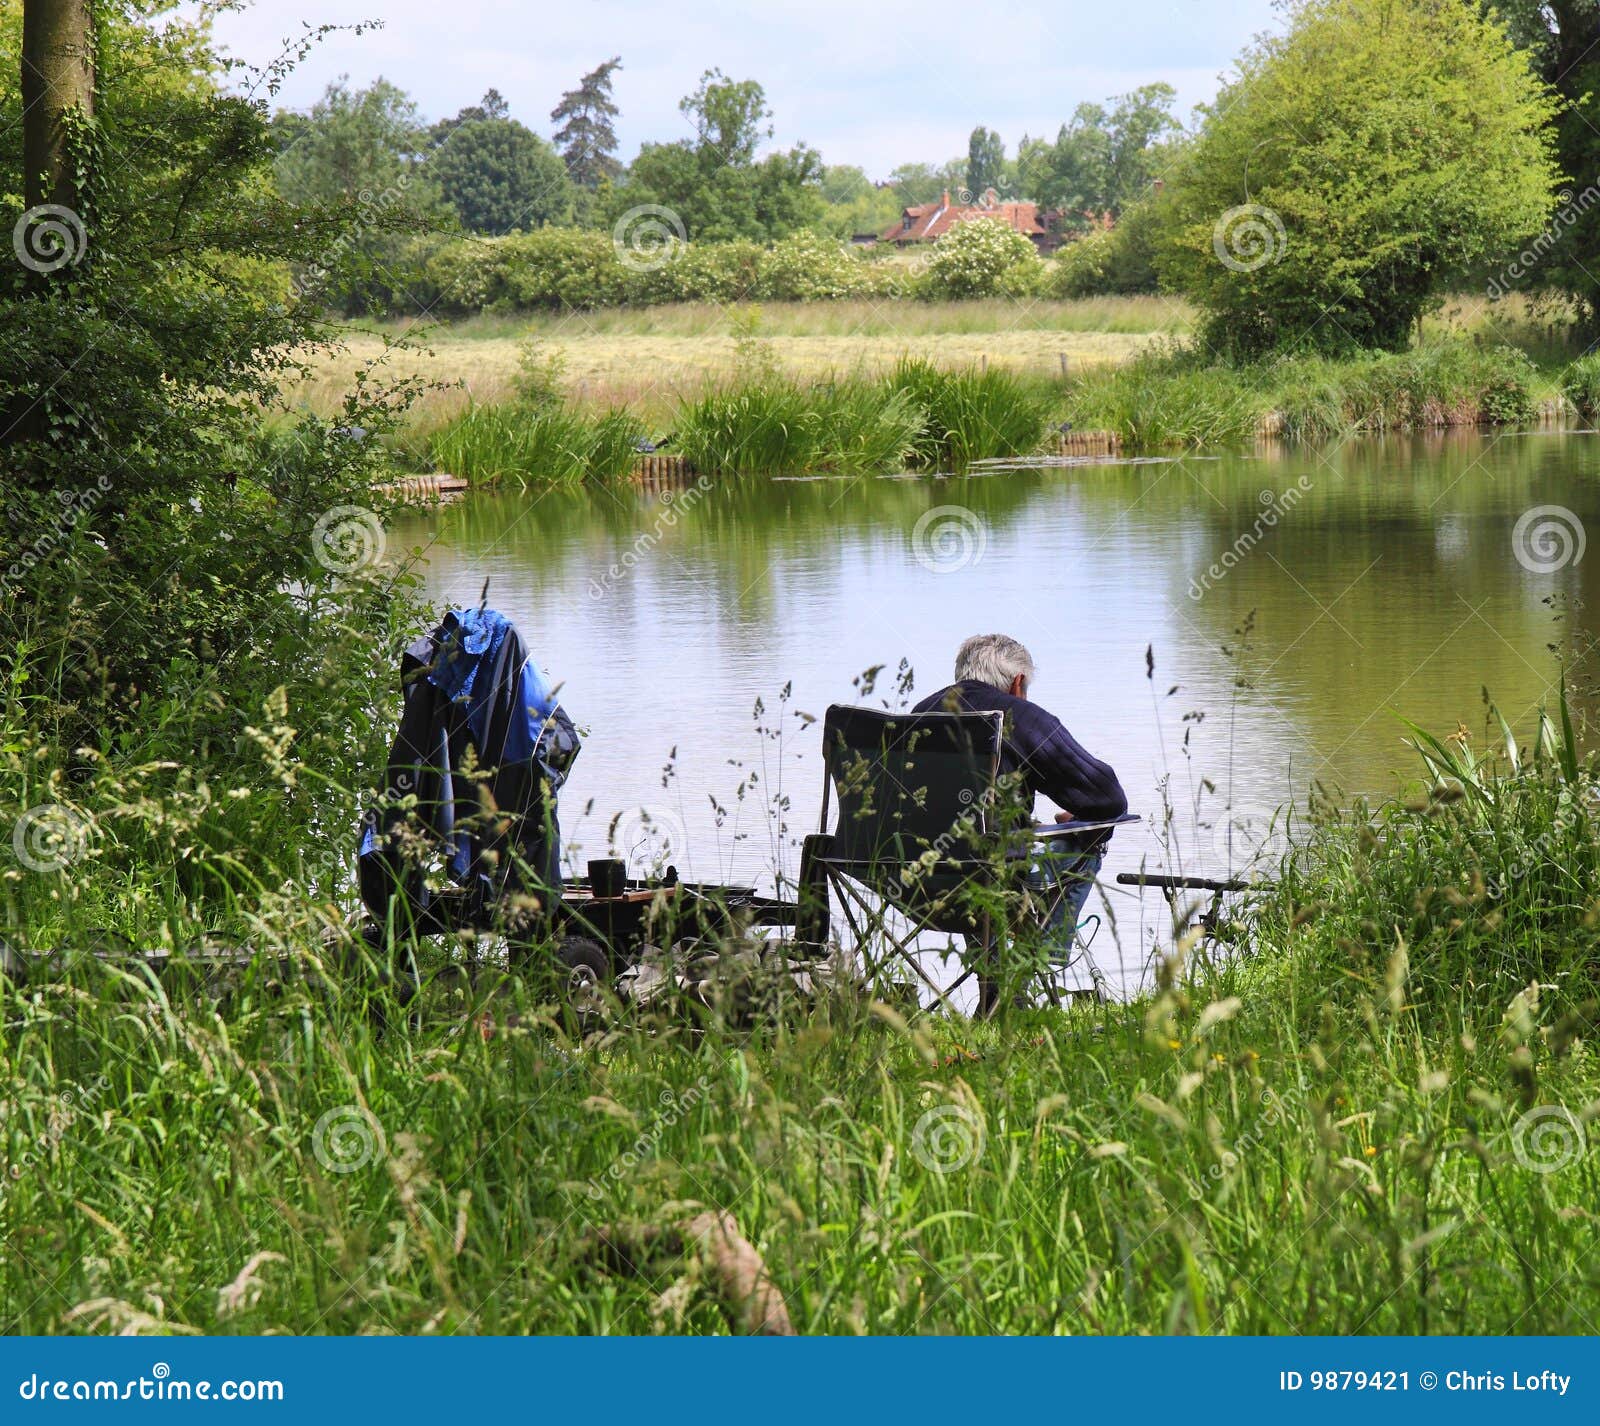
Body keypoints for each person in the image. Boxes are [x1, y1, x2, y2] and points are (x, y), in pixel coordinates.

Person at [913, 633, 1127, 1000]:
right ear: (1017, 683)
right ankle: (1028, 975)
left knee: (971, 852)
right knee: (1089, 841)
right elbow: (1107, 797)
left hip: (907, 882)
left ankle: (993, 986)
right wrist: (1079, 816)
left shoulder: (919, 713)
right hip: (991, 881)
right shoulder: (1018, 717)